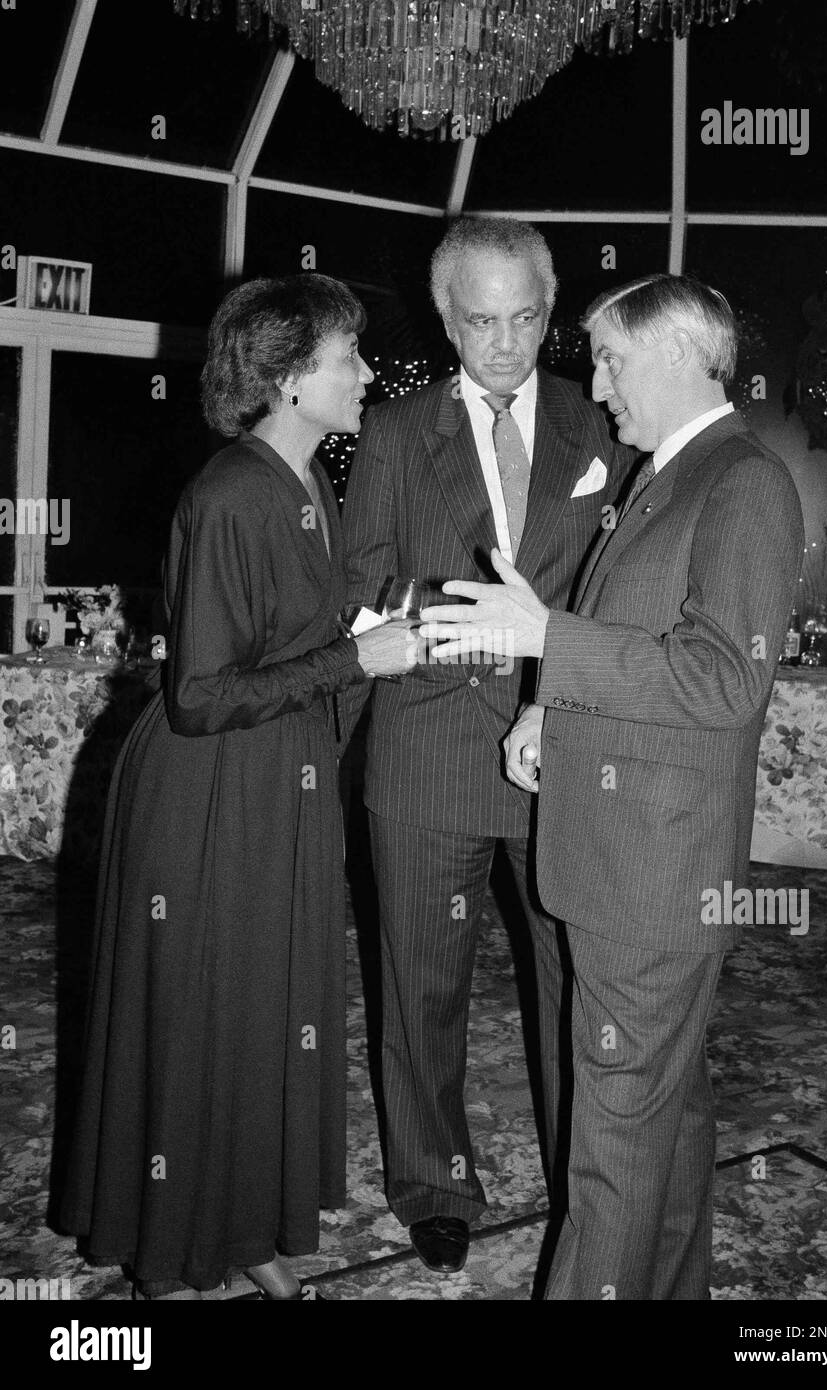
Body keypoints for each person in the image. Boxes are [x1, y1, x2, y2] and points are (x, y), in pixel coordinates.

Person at [419, 273, 805, 1299]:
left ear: (677, 353)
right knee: (663, 1124)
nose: (596, 382)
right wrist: (554, 710)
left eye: (611, 359)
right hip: (619, 862)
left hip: (654, 876)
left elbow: (724, 678)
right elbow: (644, 648)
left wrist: (545, 636)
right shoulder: (665, 474)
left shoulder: (742, 482)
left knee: (611, 1154)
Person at [60, 274, 415, 1300]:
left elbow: (282, 640)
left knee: (266, 1011)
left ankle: (249, 1224)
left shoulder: (307, 481)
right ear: (291, 378)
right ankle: (171, 1252)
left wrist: (357, 637)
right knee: (204, 1014)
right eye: (347, 357)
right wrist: (359, 660)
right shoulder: (229, 493)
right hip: (212, 792)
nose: (364, 373)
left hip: (278, 781)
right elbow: (203, 696)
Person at [341, 216, 631, 1274]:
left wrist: (552, 680)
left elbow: (620, 577)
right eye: (480, 320)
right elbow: (361, 581)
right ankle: (433, 1183)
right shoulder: (390, 430)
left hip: (562, 745)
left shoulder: (599, 421)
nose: (504, 344)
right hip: (425, 749)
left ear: (549, 311)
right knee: (418, 987)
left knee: (574, 977)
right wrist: (459, 621)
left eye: (525, 318)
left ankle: (583, 1175)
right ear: (444, 317)